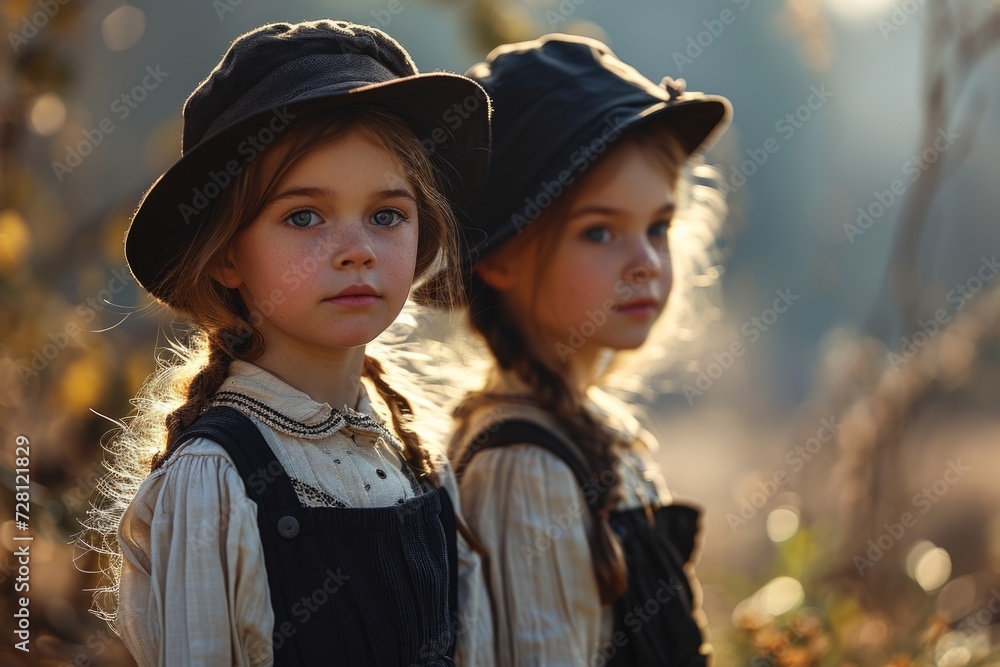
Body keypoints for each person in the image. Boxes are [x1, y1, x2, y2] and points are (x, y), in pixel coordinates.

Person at [87, 20, 494, 666]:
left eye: (387, 214)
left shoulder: (416, 456)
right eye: (304, 216)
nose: (357, 250)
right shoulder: (215, 481)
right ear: (226, 256)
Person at [427, 34, 732, 666]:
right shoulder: (524, 467)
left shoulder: (588, 428)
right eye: (599, 231)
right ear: (501, 257)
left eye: (658, 227)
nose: (646, 262)